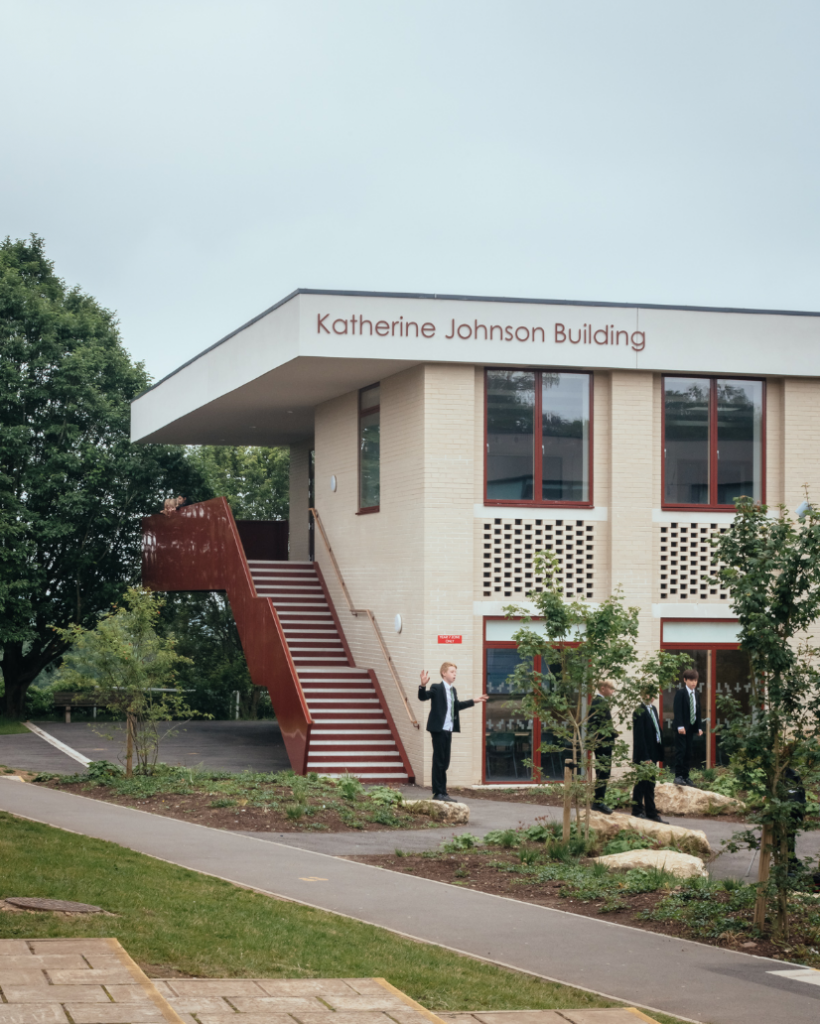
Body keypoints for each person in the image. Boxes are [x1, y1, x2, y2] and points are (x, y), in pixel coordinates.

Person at [418, 663, 487, 802]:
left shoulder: (453, 690)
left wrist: (474, 701)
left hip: (448, 729)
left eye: (455, 672)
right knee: (438, 761)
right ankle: (438, 793)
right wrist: (422, 685)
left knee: (445, 761)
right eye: (452, 671)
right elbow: (423, 697)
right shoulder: (436, 687)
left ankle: (443, 792)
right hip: (438, 729)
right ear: (444, 673)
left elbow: (457, 706)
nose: (454, 674)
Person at [632, 685, 667, 822]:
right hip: (644, 754)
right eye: (649, 694)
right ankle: (636, 810)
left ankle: (651, 812)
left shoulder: (653, 709)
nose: (652, 697)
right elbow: (640, 737)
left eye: (653, 695)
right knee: (641, 783)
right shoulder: (639, 711)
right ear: (643, 695)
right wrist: (645, 756)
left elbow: (656, 730)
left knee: (651, 783)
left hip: (653, 751)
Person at [589, 680, 616, 814]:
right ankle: (598, 802)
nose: (613, 691)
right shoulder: (597, 703)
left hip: (605, 743)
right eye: (611, 688)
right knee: (603, 772)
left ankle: (599, 800)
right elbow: (593, 724)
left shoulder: (602, 702)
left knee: (604, 772)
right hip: (602, 744)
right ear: (602, 688)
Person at [672, 668, 703, 787]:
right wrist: (680, 725)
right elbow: (677, 710)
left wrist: (699, 727)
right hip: (681, 728)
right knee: (681, 751)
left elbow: (697, 712)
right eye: (691, 680)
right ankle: (678, 776)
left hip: (691, 727)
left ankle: (686, 776)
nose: (693, 683)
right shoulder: (680, 693)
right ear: (685, 680)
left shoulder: (696, 694)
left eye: (695, 680)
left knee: (688, 752)